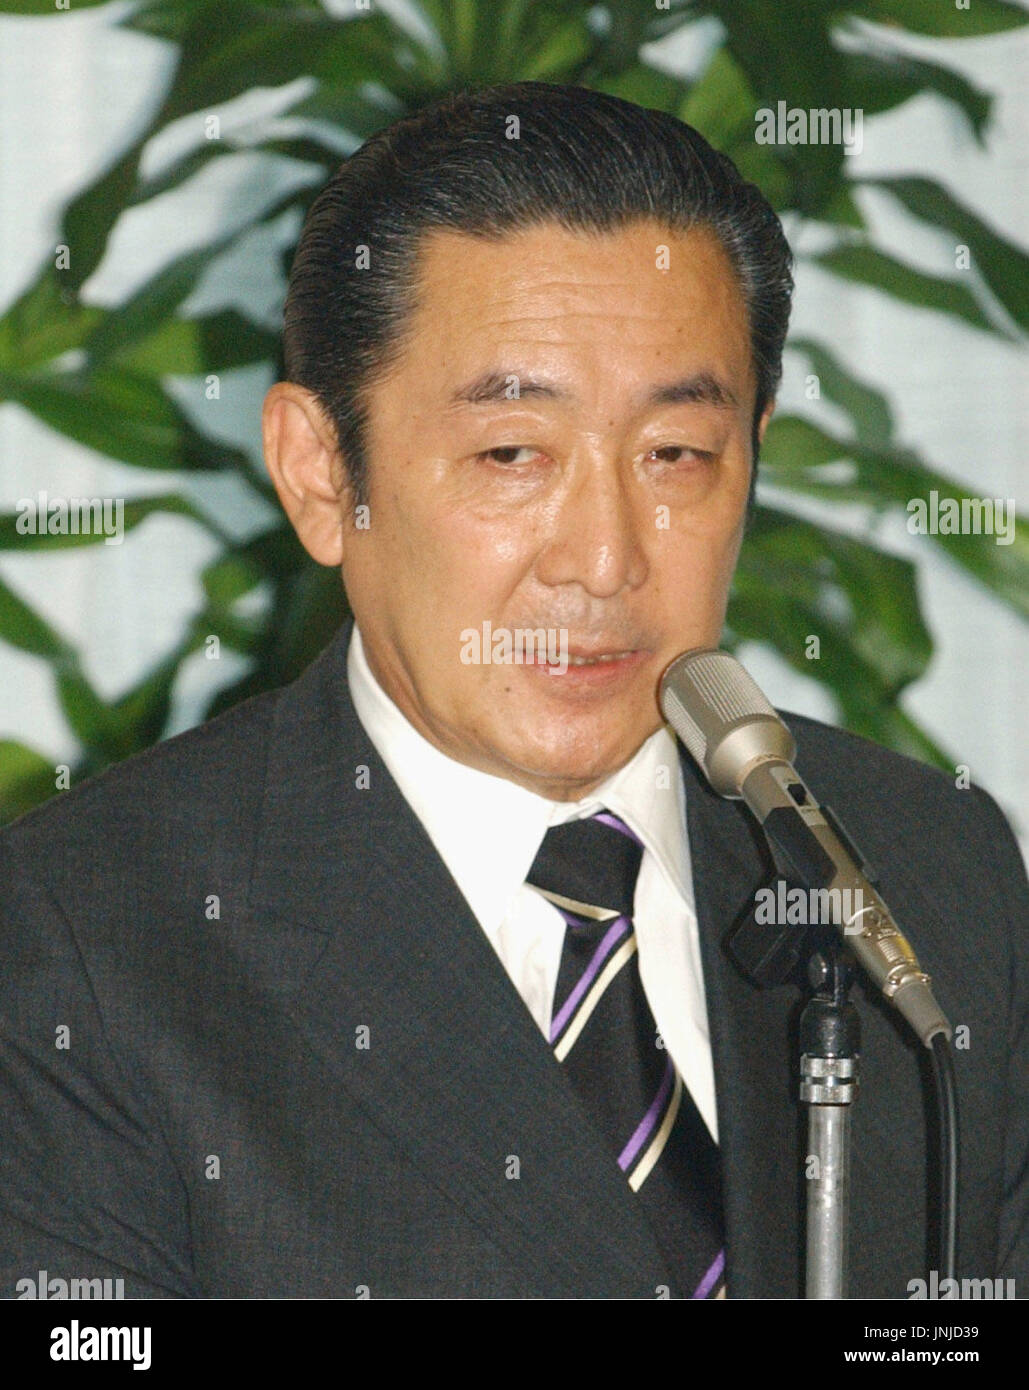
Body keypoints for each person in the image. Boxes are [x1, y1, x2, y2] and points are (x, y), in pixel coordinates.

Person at [1, 82, 1025, 1300]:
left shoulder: (925, 871)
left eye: (676, 456)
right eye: (511, 454)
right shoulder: (89, 937)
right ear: (322, 476)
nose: (604, 558)